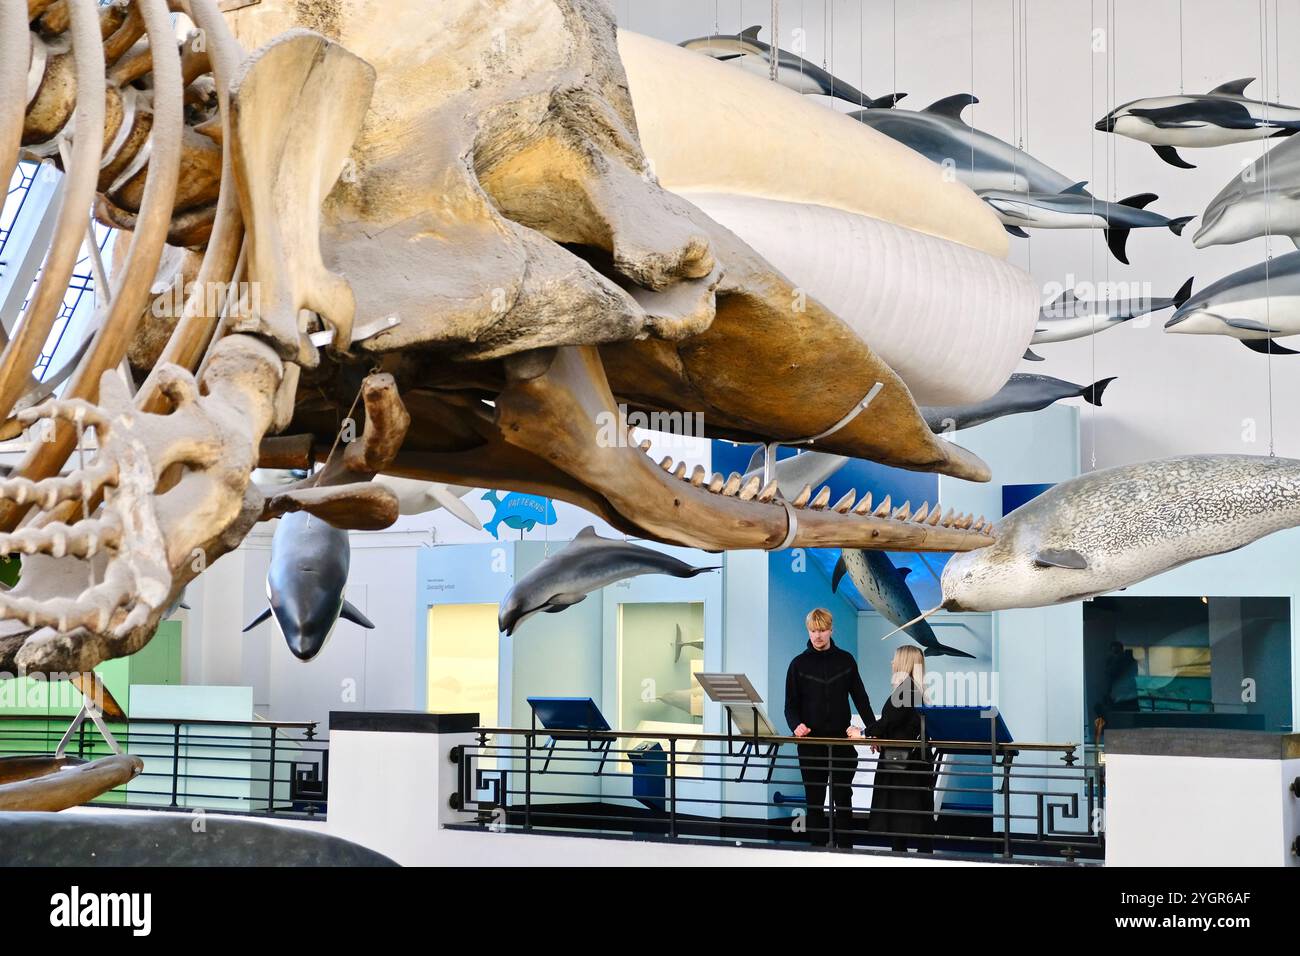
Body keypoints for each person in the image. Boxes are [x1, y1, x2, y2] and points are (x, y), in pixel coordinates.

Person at [784, 608, 875, 848]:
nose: (818, 636)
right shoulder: (798, 664)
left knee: (843, 799)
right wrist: (796, 726)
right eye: (813, 631)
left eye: (822, 630)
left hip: (841, 744)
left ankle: (846, 852)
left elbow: (861, 699)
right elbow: (790, 707)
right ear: (808, 631)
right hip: (811, 745)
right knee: (814, 801)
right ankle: (817, 852)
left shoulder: (845, 660)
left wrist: (874, 731)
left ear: (831, 629)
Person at [850, 645, 935, 853]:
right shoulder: (917, 690)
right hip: (912, 765)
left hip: (902, 768)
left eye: (895, 659)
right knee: (916, 817)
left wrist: (861, 733)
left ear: (903, 663)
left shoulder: (906, 690)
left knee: (900, 818)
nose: (891, 663)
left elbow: (889, 721)